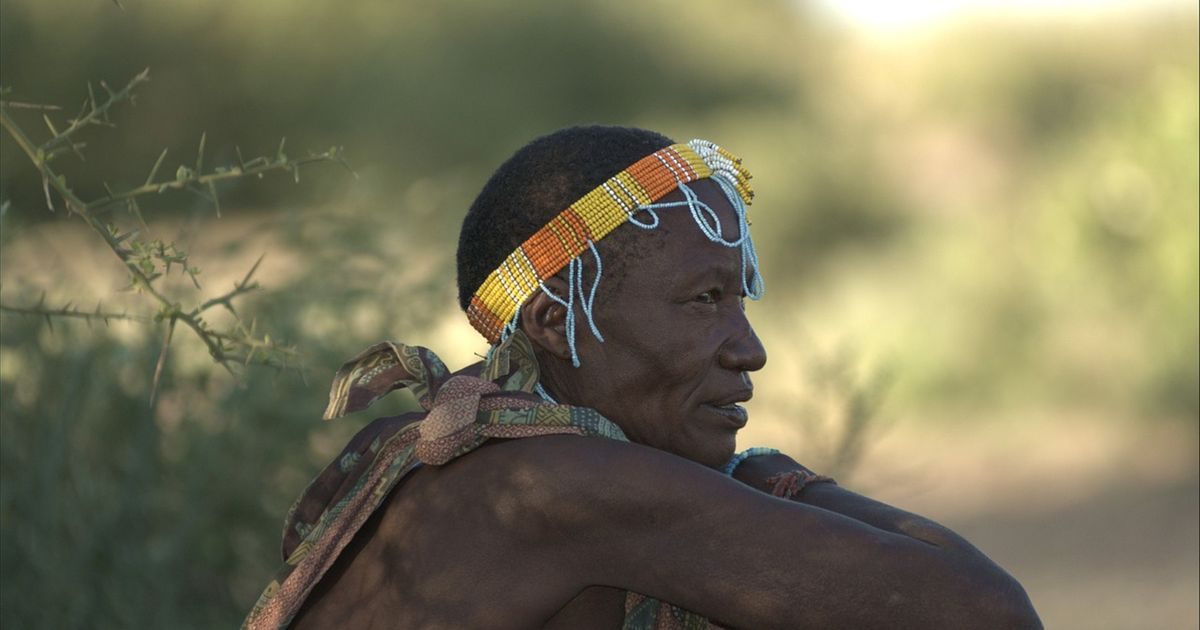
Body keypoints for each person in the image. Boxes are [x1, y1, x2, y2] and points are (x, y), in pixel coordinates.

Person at [244, 126, 1042, 629]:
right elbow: (984, 612)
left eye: (739, 299)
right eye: (703, 300)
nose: (749, 349)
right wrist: (763, 477)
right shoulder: (558, 486)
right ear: (552, 320)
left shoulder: (453, 447)